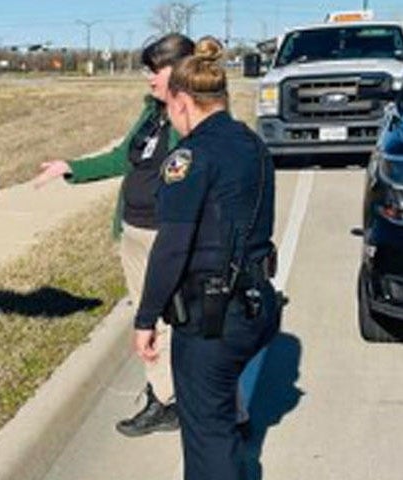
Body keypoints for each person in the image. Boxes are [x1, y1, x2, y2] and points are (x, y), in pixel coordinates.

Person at [34, 33, 196, 436]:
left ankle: (196, 404)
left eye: (154, 70)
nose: (148, 78)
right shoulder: (152, 113)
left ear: (179, 70)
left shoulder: (194, 115)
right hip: (134, 231)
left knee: (180, 320)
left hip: (167, 237)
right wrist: (71, 168)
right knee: (150, 319)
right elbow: (122, 159)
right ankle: (167, 398)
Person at [133, 37, 280, 479]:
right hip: (256, 302)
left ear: (182, 101)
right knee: (220, 423)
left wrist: (145, 319)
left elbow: (172, 246)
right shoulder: (252, 143)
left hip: (213, 317)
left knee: (207, 436)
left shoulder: (189, 156)